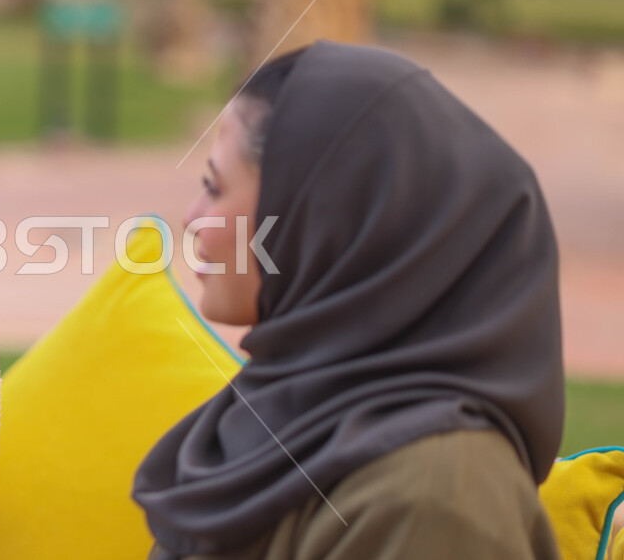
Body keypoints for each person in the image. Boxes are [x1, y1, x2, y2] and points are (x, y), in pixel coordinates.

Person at [133, 41, 564, 559]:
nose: (192, 217)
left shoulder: (435, 498)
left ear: (327, 219)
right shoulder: (285, 412)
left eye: (214, 188)